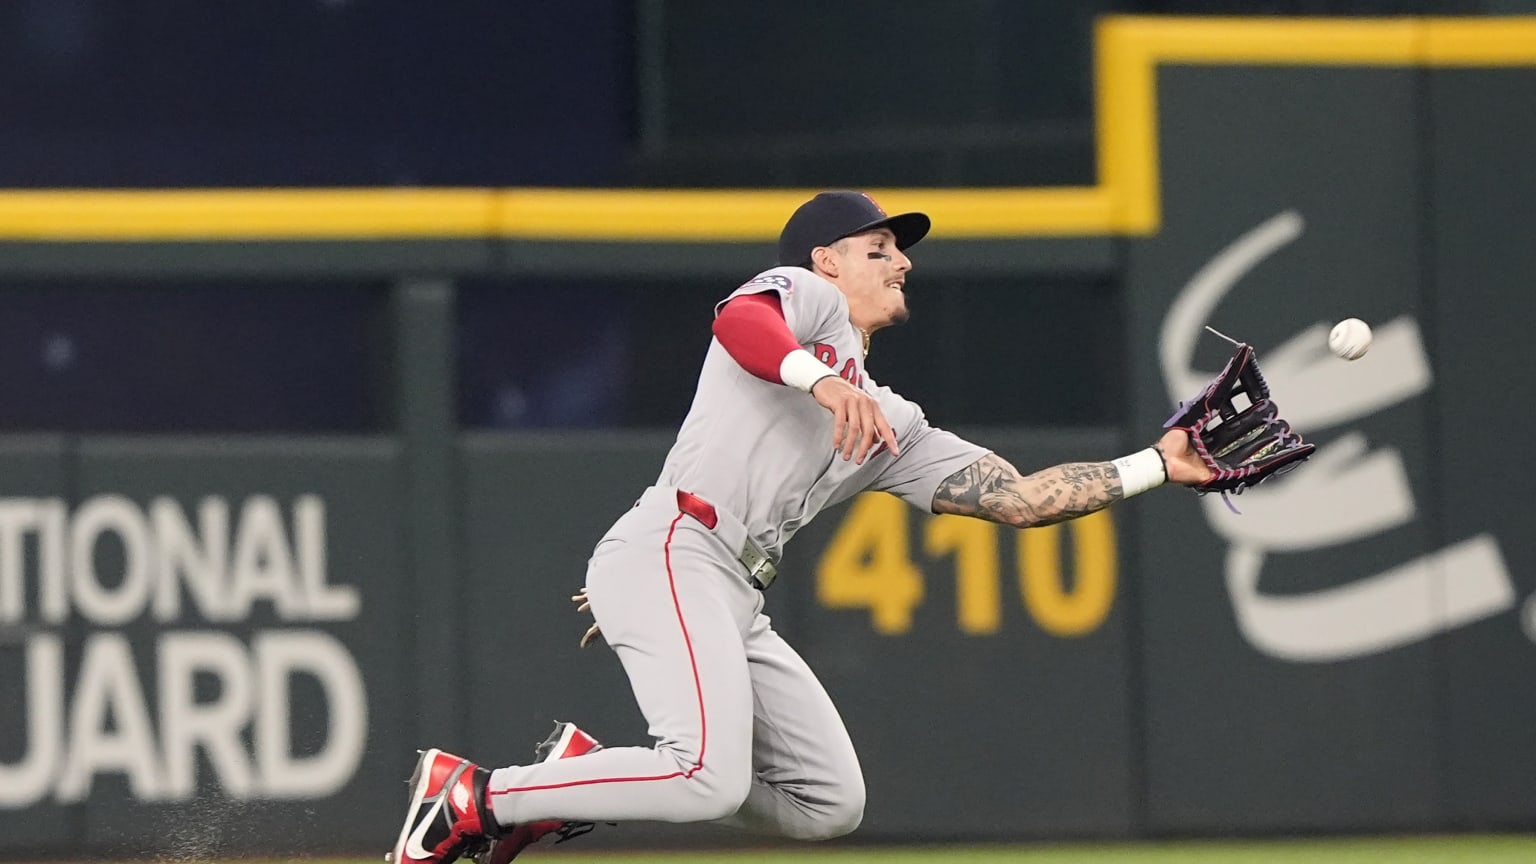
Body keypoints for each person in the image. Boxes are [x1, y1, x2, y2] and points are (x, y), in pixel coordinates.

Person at [388, 191, 1214, 864]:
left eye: (900, 249)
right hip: (679, 545)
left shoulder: (894, 420)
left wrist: (1155, 464)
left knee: (829, 805)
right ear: (825, 262)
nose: (902, 262)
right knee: (706, 778)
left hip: (736, 590)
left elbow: (1018, 500)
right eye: (878, 247)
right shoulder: (806, 302)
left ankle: (581, 778)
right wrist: (820, 382)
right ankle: (479, 795)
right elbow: (738, 325)